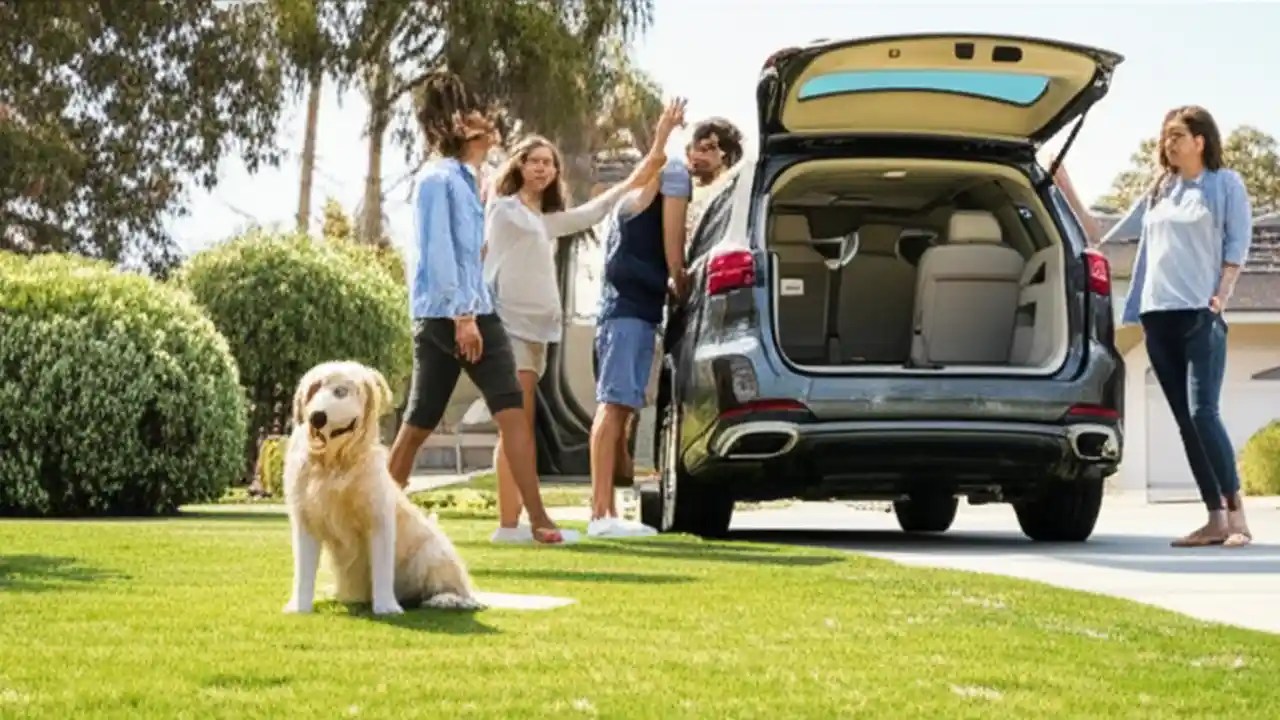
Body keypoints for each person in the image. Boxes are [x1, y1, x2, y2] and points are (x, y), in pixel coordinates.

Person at [481, 99, 688, 543]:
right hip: (508, 328)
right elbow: (495, 249)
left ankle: (511, 525)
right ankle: (517, 525)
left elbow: (599, 209)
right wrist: (657, 151)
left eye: (548, 163)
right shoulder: (506, 212)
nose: (542, 169)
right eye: (533, 162)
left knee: (520, 426)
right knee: (516, 425)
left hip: (536, 334)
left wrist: (654, 150)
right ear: (517, 167)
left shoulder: (542, 220)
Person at [1060, 105, 1254, 548]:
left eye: (1176, 135)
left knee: (1205, 413)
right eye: (1165, 136)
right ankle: (1214, 520)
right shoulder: (1160, 191)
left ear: (1199, 141)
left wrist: (1221, 295)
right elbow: (1099, 232)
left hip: (1200, 313)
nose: (1167, 143)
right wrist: (1065, 183)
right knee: (1186, 422)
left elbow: (1237, 245)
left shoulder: (1224, 185)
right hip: (1157, 313)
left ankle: (1237, 515)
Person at [386, 74, 568, 545]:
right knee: (420, 421)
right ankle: (380, 513)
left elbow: (471, 255)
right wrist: (464, 317)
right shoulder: (436, 180)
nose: (491, 122)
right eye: (480, 116)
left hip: (481, 311)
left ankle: (537, 518)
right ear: (463, 128)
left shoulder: (473, 183)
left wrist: (477, 300)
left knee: (512, 411)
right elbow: (439, 254)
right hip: (444, 319)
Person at [587, 130, 695, 538]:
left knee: (620, 408)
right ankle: (600, 513)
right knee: (613, 406)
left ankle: (606, 510)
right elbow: (672, 253)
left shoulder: (625, 206)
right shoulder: (638, 199)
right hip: (628, 316)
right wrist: (678, 276)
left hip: (631, 314)